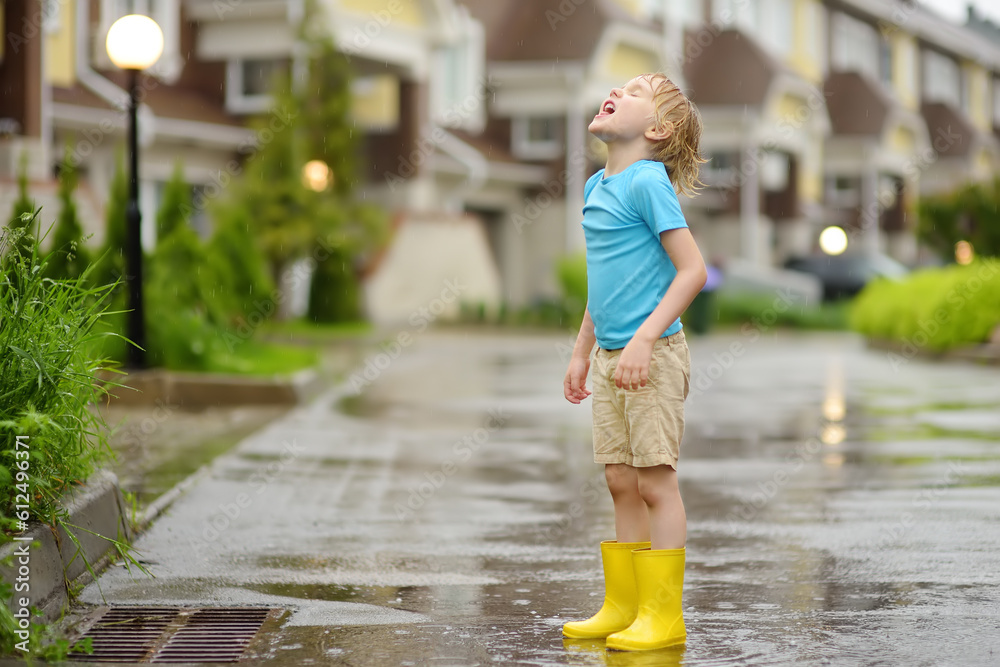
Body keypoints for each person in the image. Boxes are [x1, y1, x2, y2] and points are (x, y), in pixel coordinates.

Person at [561, 73, 707, 652]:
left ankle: (663, 615)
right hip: (610, 356)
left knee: (654, 482)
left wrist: (645, 340)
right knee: (619, 479)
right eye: (618, 84)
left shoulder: (647, 183)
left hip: (654, 355)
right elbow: (605, 286)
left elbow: (692, 271)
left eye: (636, 90)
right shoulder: (598, 184)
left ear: (655, 129)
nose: (616, 90)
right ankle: (622, 607)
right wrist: (580, 351)